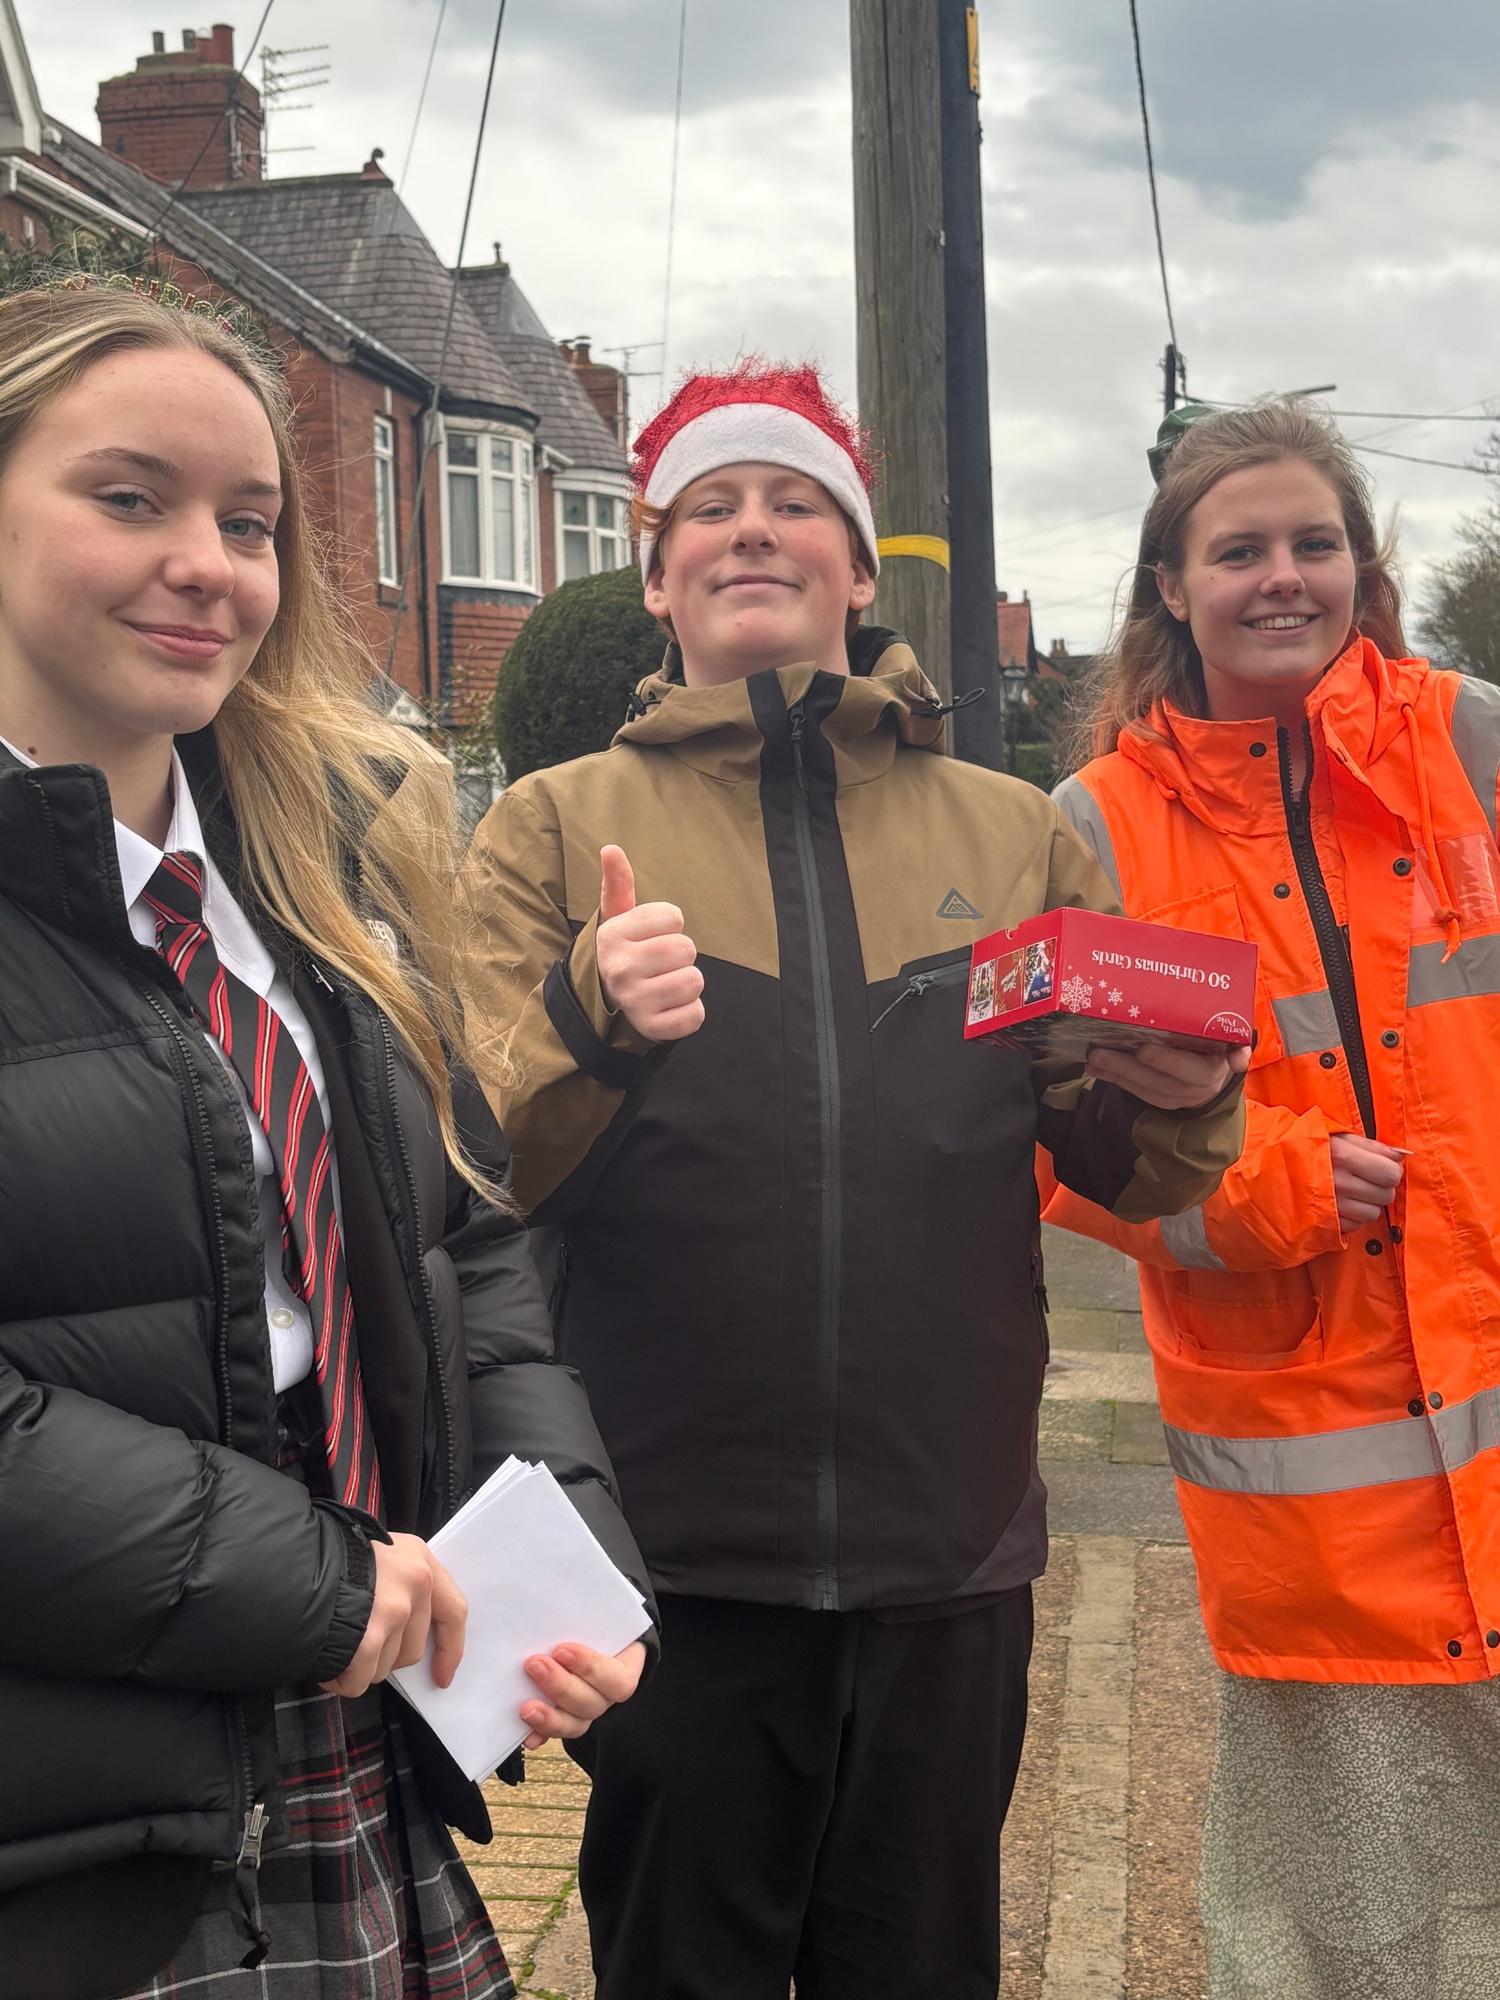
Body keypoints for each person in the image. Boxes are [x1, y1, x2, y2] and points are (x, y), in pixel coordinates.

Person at [458, 361, 1248, 1999]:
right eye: (714, 508)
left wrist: (1186, 1090)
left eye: (797, 500)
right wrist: (592, 1023)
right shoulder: (549, 826)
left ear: (857, 568)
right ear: (658, 573)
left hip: (945, 1552)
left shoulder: (1017, 829)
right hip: (667, 1558)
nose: (757, 530)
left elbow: (1109, 1150)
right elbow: (478, 1162)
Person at [0, 278, 653, 2000]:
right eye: (128, 497)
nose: (208, 561)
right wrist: (320, 1581)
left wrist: (557, 1551)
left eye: (251, 521)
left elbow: (465, 1246)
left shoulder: (314, 884)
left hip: (346, 1736)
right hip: (75, 1830)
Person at [1043, 398, 1500, 1998]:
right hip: (1321, 1499)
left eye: (1317, 543)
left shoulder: (1477, 744)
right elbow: (1055, 1151)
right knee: (1344, 1938)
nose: (1283, 577)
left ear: (1366, 566)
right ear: (1171, 584)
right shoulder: (1098, 825)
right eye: (1240, 550)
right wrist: (1280, 1186)